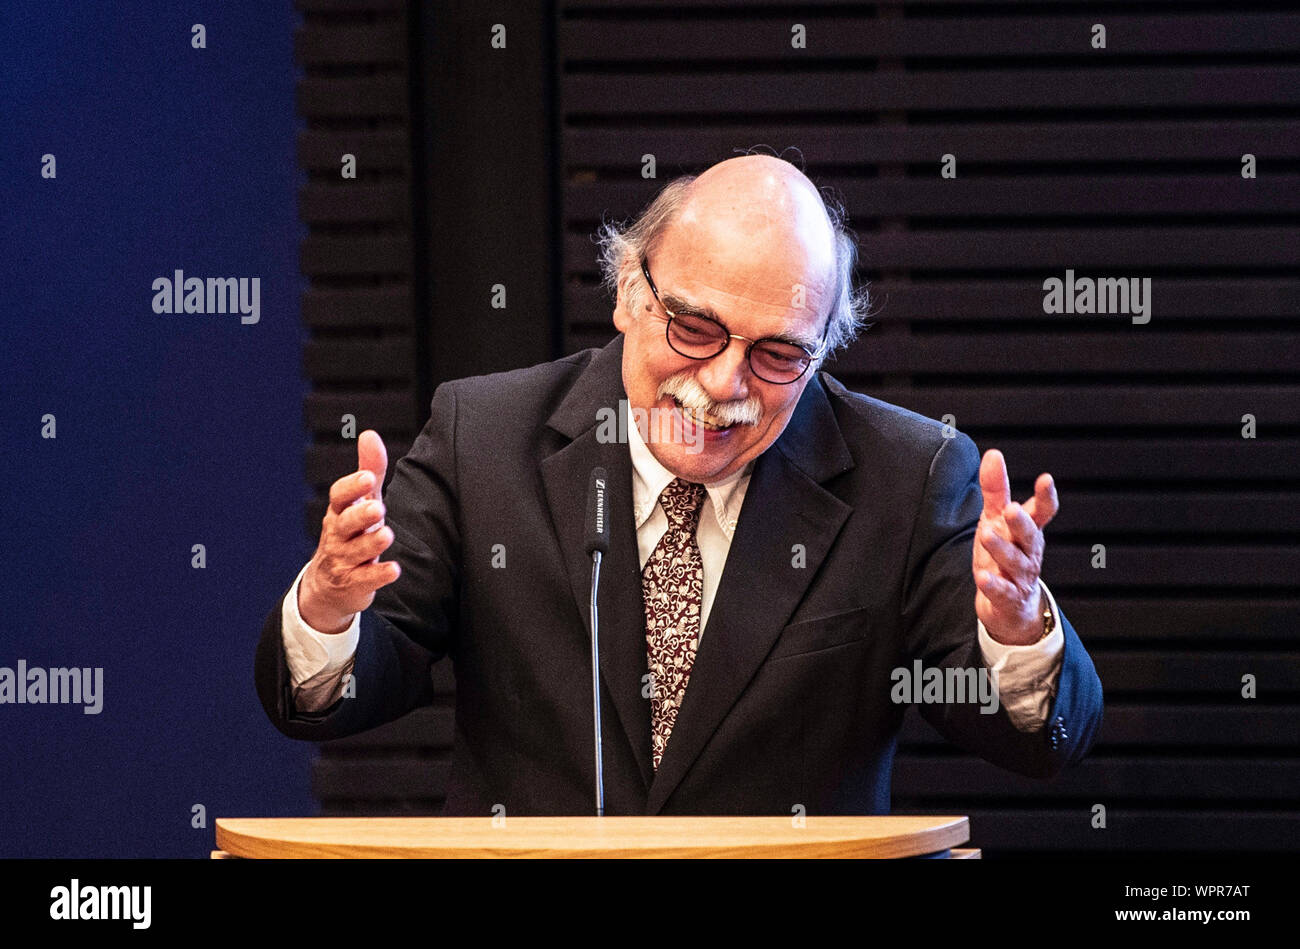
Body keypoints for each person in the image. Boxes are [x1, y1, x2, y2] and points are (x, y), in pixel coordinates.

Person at [255, 154, 1103, 816]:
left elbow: (1030, 738)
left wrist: (1016, 628)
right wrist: (331, 606)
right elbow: (350, 685)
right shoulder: (485, 438)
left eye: (776, 353)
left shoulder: (907, 476)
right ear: (630, 293)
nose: (726, 381)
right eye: (696, 327)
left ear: (821, 351)